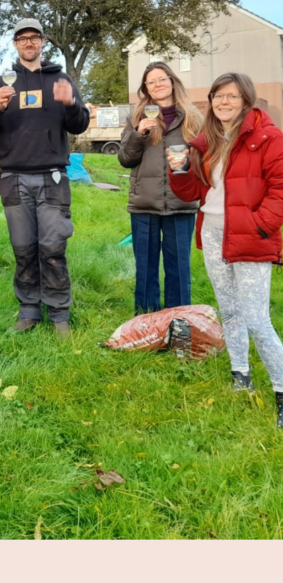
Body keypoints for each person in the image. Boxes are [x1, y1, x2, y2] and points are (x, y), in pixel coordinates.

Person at [168, 73, 283, 428]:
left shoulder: (270, 138)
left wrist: (259, 226)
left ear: (246, 100)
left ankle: (281, 390)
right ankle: (240, 374)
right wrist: (183, 168)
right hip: (214, 235)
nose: (224, 103)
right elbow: (190, 194)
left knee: (256, 318)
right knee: (230, 310)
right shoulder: (207, 141)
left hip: (250, 236)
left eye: (232, 97)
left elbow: (280, 191)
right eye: (218, 96)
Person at [0, 18, 89, 337]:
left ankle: (59, 313)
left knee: (53, 247)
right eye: (22, 39)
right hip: (13, 177)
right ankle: (28, 310)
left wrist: (69, 103)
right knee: (23, 247)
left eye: (34, 38)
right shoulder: (1, 82)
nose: (29, 43)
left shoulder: (60, 79)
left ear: (43, 42)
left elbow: (79, 124)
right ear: (15, 44)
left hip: (52, 177)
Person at [118, 62, 203, 314]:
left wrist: (187, 162)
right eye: (151, 81)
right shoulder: (135, 117)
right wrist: (138, 134)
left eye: (162, 79)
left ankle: (178, 322)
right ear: (145, 88)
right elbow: (125, 159)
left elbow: (205, 159)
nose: (158, 85)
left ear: (172, 81)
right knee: (145, 266)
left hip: (181, 201)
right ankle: (147, 321)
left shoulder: (193, 117)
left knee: (179, 267)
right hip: (145, 202)